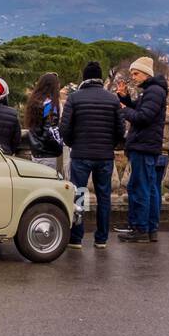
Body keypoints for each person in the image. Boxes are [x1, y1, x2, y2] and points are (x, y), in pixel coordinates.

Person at [60, 61, 125, 248]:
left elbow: (64, 128)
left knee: (79, 195)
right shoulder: (112, 99)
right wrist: (109, 145)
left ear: (84, 77)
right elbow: (120, 130)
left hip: (81, 154)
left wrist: (73, 143)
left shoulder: (74, 98)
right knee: (104, 197)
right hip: (105, 155)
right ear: (100, 77)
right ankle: (101, 238)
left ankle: (76, 237)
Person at [116, 56, 168, 243]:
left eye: (135, 73)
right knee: (150, 188)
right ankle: (150, 229)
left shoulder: (153, 92)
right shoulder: (153, 91)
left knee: (140, 188)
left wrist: (123, 109)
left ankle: (140, 229)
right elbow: (140, 109)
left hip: (143, 146)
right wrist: (124, 98)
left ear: (146, 73)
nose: (133, 77)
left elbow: (143, 117)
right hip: (147, 146)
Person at [24, 72, 63, 171]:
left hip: (35, 151)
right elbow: (50, 129)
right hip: (47, 153)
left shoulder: (34, 102)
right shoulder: (49, 105)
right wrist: (59, 145)